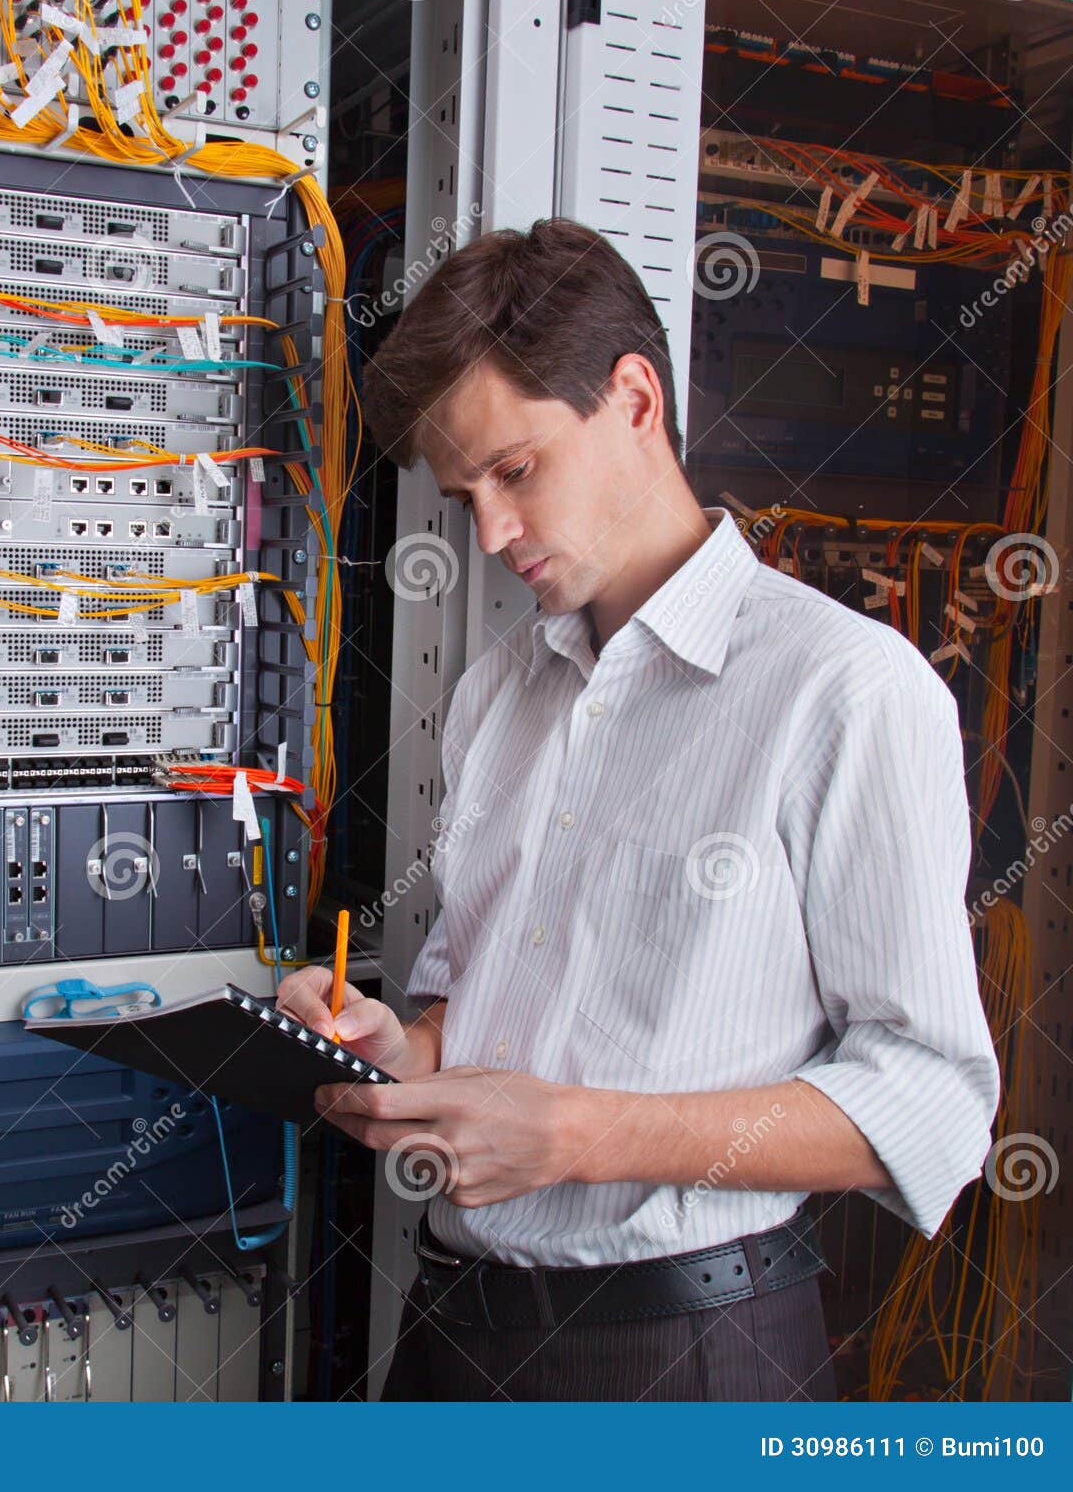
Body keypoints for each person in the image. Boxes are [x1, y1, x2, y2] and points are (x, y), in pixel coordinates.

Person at [276, 218, 1000, 1401]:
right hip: (457, 1324)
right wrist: (397, 1049)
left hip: (692, 1352)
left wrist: (585, 1136)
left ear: (633, 398)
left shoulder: (845, 689)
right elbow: (477, 1006)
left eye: (513, 471)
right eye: (465, 495)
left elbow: (933, 1105)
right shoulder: (496, 694)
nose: (492, 533)